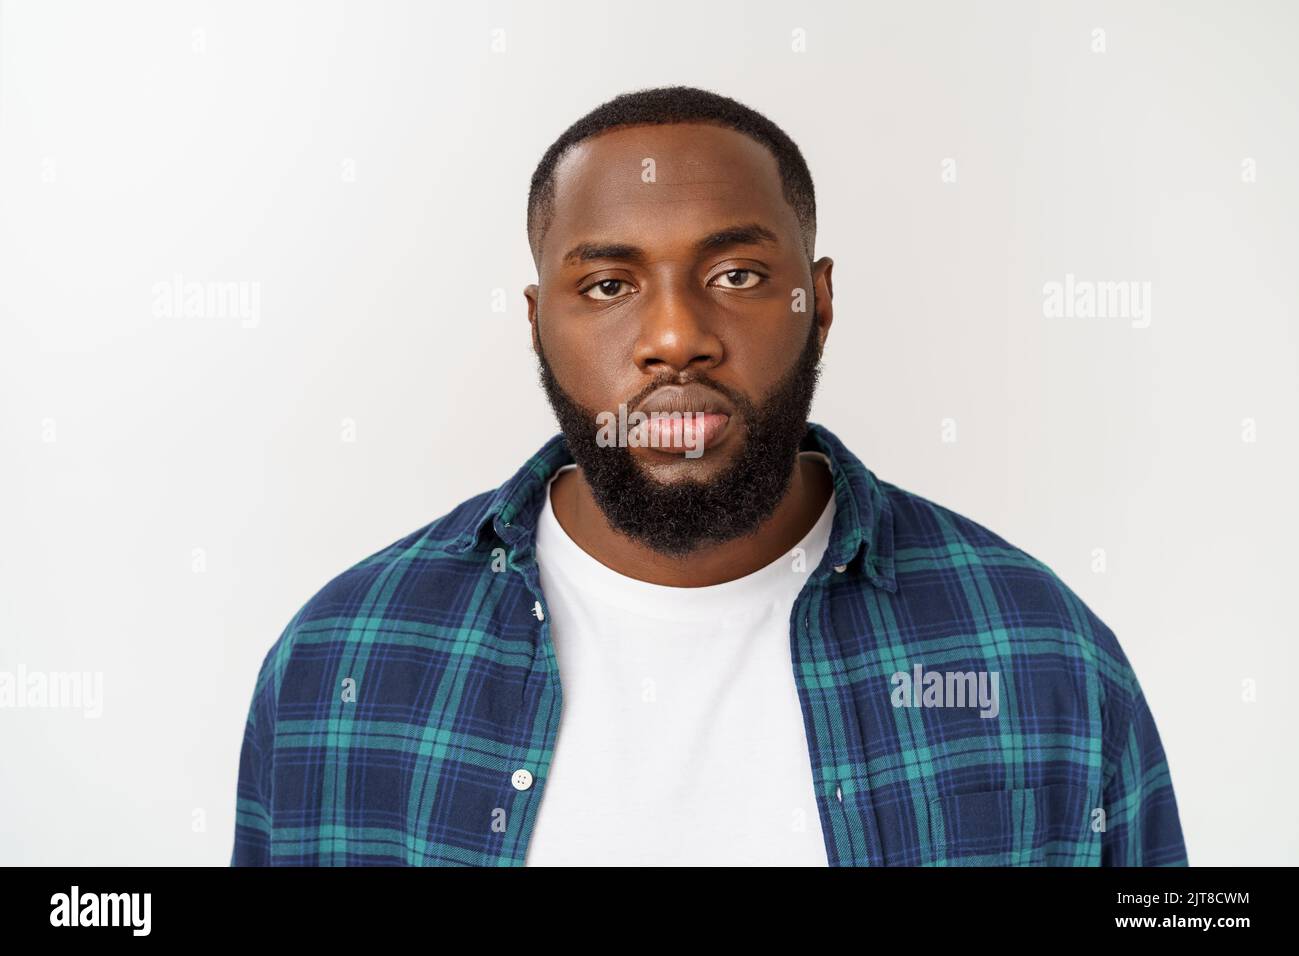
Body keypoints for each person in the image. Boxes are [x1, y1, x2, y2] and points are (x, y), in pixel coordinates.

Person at [232, 85, 1187, 866]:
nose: (676, 338)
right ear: (536, 321)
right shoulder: (339, 663)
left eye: (735, 276)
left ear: (817, 300)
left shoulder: (1041, 652)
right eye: (608, 286)